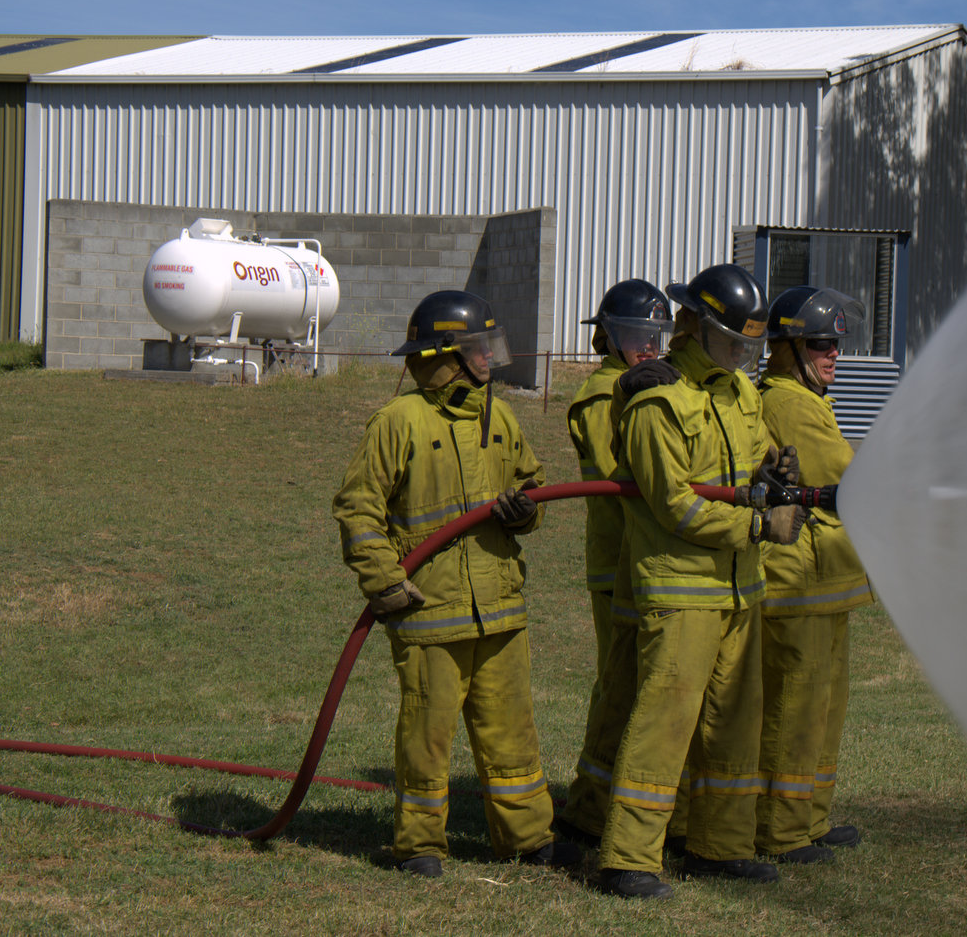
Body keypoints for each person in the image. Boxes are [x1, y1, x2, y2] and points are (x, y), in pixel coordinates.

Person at [332, 289, 575, 875]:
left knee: (511, 733)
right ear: (445, 356)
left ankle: (528, 839)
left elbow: (535, 485)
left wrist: (529, 511)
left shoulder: (501, 417)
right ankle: (419, 847)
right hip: (429, 612)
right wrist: (383, 582)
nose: (490, 358)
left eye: (490, 347)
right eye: (476, 348)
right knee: (427, 736)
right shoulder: (399, 422)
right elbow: (358, 508)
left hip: (500, 610)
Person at [597, 263, 808, 900]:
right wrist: (759, 527)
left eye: (752, 347)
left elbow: (753, 456)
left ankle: (721, 847)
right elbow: (676, 507)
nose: (745, 357)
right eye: (734, 343)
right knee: (666, 722)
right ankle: (628, 858)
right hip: (681, 589)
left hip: (741, 589)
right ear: (694, 325)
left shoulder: (740, 393)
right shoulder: (656, 402)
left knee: (734, 724)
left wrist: (777, 466)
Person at [753, 286, 876, 864]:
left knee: (825, 708)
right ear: (788, 347)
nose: (833, 354)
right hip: (795, 579)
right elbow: (841, 474)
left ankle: (812, 818)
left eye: (835, 344)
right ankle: (781, 830)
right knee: (794, 709)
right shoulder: (788, 401)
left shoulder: (809, 397)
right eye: (821, 344)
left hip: (826, 580)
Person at [557, 279, 677, 845]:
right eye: (635, 335)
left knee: (637, 686)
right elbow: (626, 474)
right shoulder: (605, 394)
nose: (648, 346)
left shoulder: (642, 385)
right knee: (620, 686)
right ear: (607, 337)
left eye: (656, 335)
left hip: (644, 560)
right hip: (618, 563)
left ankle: (610, 800)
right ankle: (590, 807)